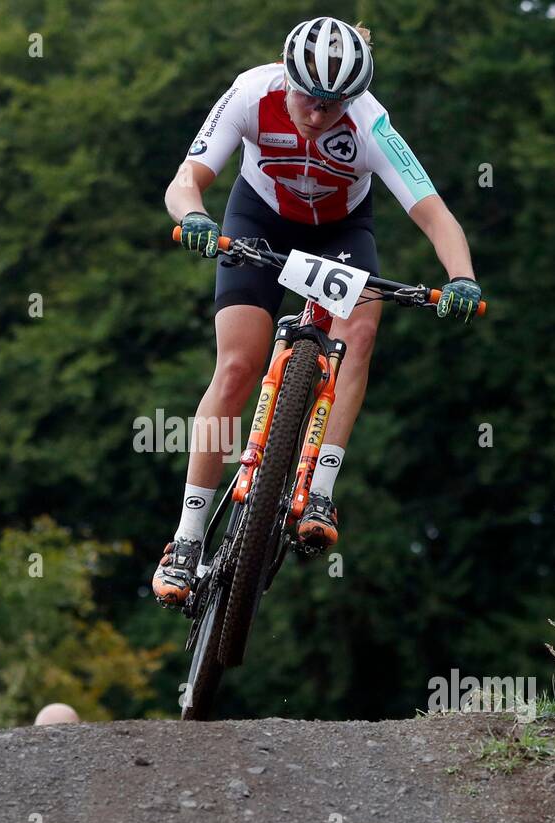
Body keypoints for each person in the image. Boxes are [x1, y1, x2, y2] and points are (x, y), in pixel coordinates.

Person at [152, 16, 481, 608]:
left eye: (334, 106)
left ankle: (322, 487)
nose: (317, 115)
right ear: (286, 78)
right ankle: (186, 539)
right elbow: (186, 180)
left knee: (360, 324)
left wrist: (462, 278)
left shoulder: (372, 125)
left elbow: (436, 216)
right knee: (234, 370)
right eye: (308, 99)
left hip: (340, 234)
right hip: (258, 218)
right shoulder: (252, 92)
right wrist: (194, 217)